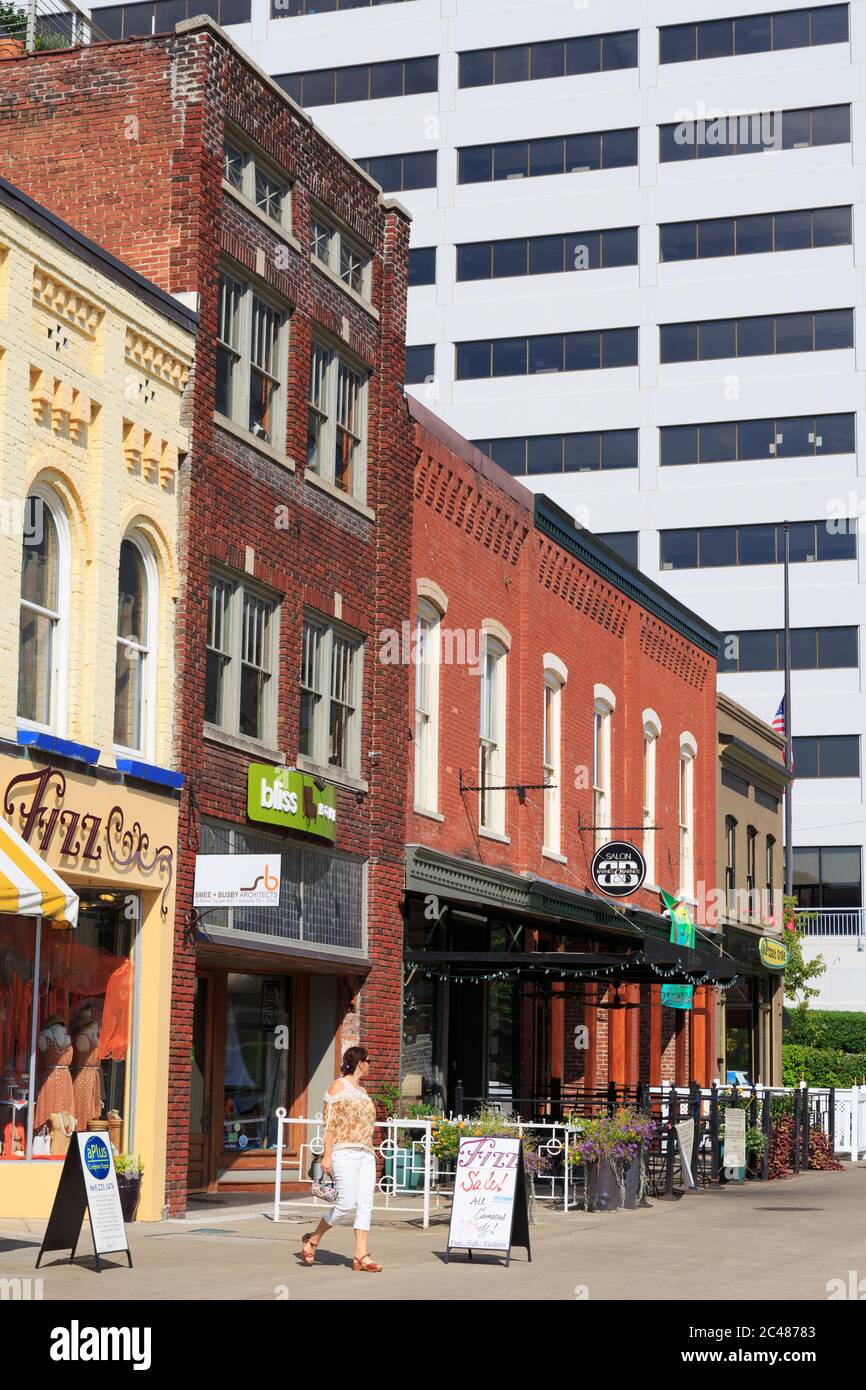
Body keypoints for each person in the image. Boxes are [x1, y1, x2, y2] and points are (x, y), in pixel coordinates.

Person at [300, 1045, 383, 1272]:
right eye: (369, 1061)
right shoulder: (338, 1086)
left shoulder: (364, 1092)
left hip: (366, 1153)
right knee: (345, 1203)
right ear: (360, 1063)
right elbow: (329, 1124)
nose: (370, 1066)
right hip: (343, 1152)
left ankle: (361, 1255)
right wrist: (327, 1155)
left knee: (366, 1204)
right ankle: (313, 1239)